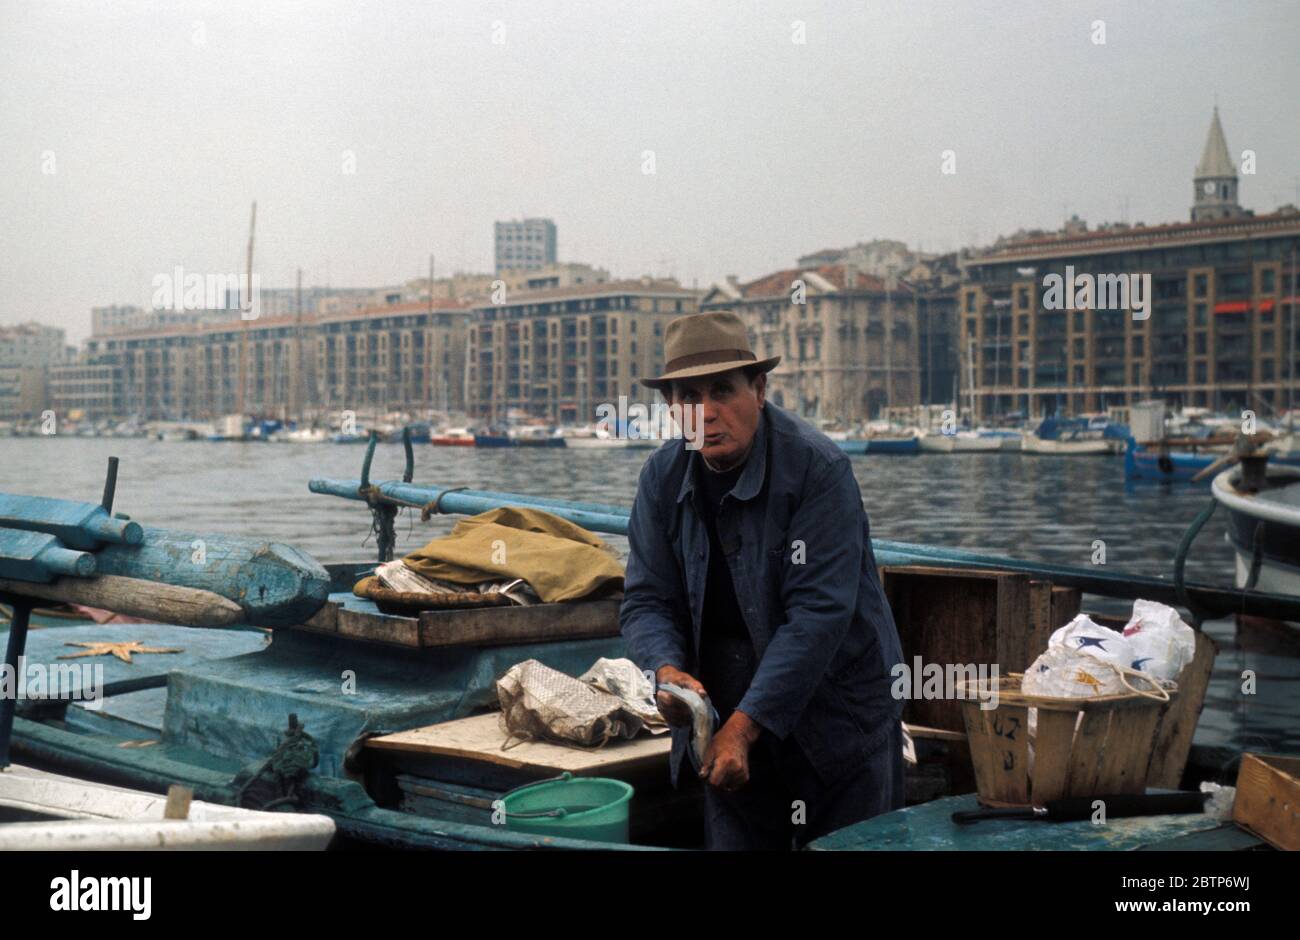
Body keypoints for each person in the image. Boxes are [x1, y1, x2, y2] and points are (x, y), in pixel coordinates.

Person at [619, 311, 906, 850]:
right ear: (671, 407)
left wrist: (744, 727)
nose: (706, 413)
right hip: (727, 720)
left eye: (723, 391)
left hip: (837, 719)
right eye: (688, 397)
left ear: (759, 388)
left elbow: (817, 617)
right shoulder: (662, 477)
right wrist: (667, 669)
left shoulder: (818, 471)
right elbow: (646, 599)